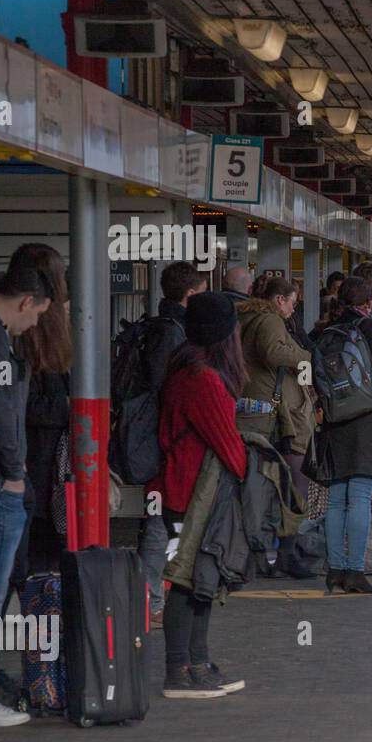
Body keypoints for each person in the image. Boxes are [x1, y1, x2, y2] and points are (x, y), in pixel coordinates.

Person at [150, 293, 248, 699]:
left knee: (197, 578)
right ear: (225, 334)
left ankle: (197, 662)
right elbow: (229, 448)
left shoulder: (188, 370)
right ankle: (180, 669)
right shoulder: (203, 379)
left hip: (185, 490)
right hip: (189, 493)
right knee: (187, 580)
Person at [0, 262, 53, 727]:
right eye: (38, 313)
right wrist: (16, 473)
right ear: (25, 302)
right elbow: (1, 414)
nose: (36, 323)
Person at [313, 275, 372, 594]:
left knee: (337, 498)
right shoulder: (369, 326)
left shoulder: (325, 330)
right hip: (367, 419)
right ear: (369, 300)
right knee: (361, 495)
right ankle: (355, 571)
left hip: (336, 420)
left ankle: (334, 569)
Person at [137, 262, 207, 627]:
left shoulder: (163, 326)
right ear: (190, 294)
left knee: (162, 518)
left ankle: (157, 594)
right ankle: (151, 600)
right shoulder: (174, 334)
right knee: (160, 521)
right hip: (166, 441)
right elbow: (167, 389)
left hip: (161, 438)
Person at [235, 276, 315, 576]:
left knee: (255, 485)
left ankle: (254, 553)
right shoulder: (269, 320)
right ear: (279, 299)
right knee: (289, 482)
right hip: (270, 414)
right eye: (292, 302)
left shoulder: (245, 316)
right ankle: (283, 552)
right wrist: (308, 358)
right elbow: (273, 353)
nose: (293, 310)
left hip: (250, 409)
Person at [11, 245, 73, 578]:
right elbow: (25, 404)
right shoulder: (33, 334)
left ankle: (41, 621)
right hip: (41, 462)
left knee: (31, 560)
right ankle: (43, 622)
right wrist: (65, 408)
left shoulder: (21, 334)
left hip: (37, 462)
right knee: (38, 559)